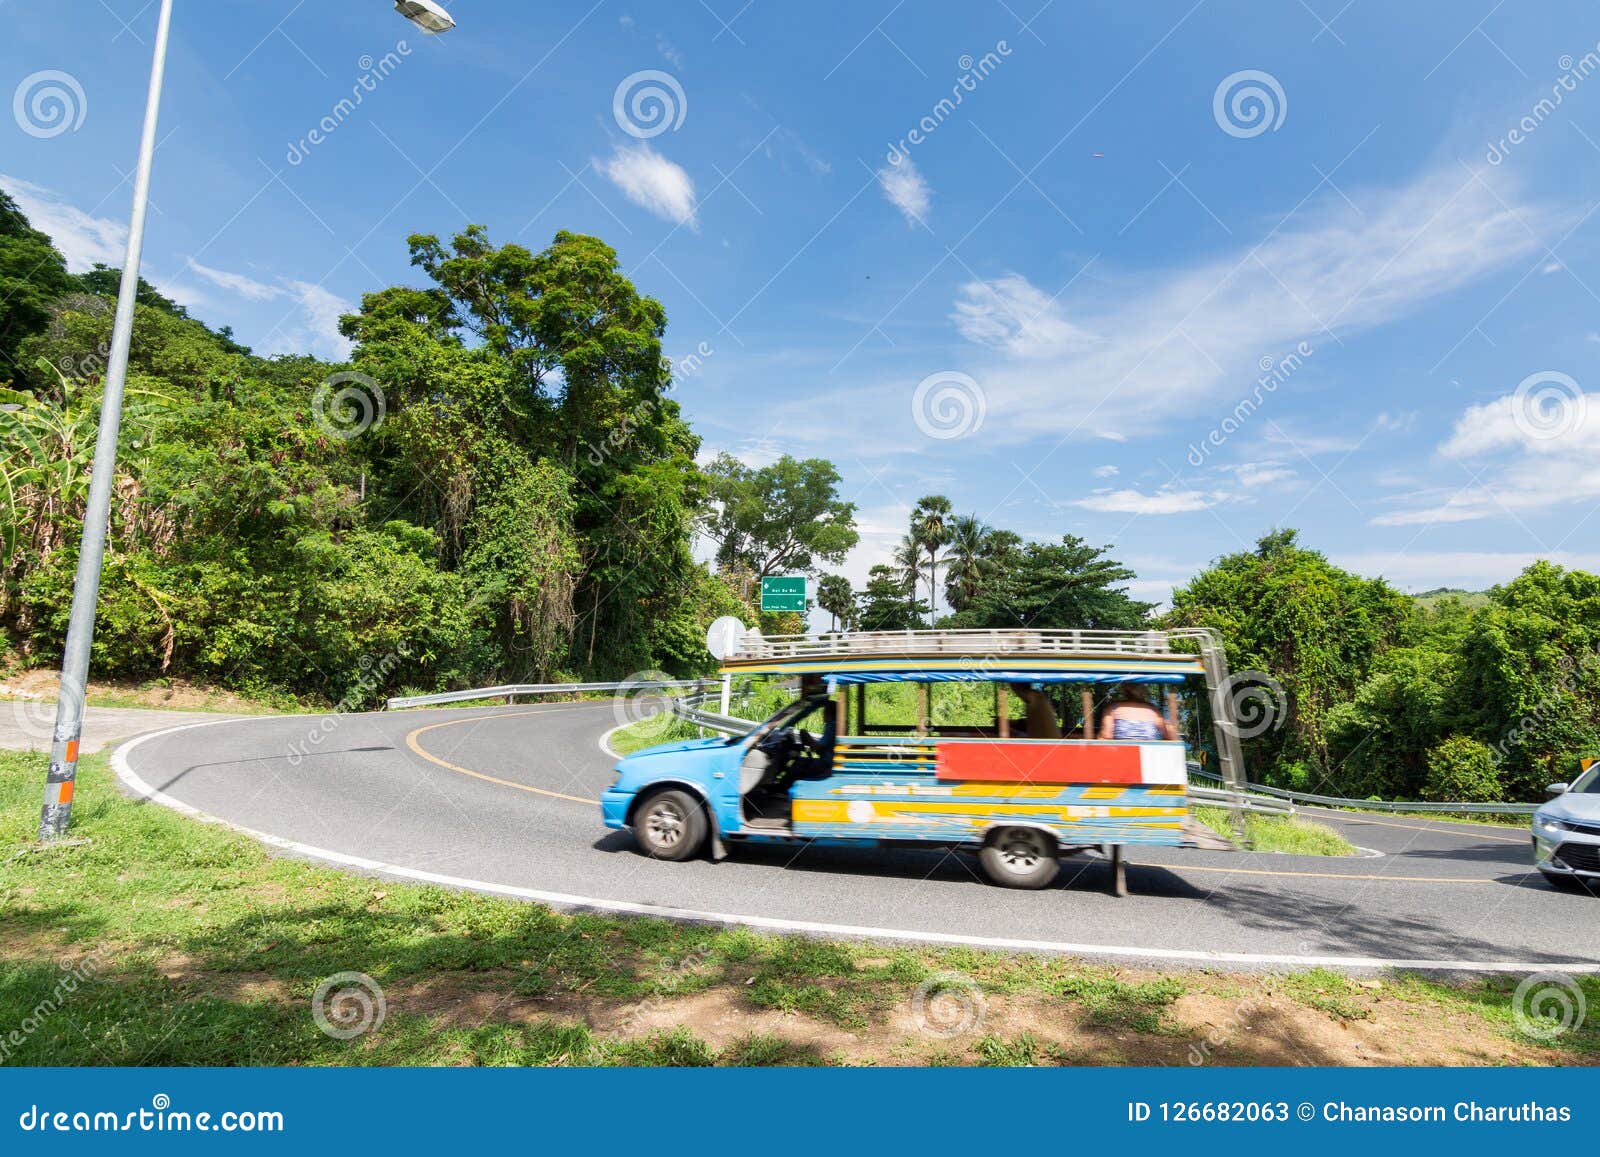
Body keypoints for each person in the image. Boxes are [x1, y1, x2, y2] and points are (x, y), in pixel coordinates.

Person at [1098, 682, 1178, 741]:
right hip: (1148, 758)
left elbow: (1106, 736)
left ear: (1124, 689)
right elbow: (1170, 735)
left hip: (1121, 757)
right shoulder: (1153, 710)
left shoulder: (1113, 709)